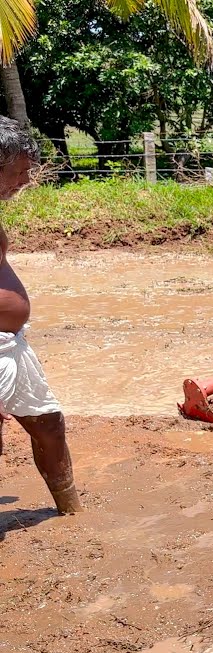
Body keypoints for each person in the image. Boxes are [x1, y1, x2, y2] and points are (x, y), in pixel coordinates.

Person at [0, 116, 80, 514]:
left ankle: (71, 512)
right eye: (18, 172)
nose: (25, 181)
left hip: (12, 347)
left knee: (48, 423)